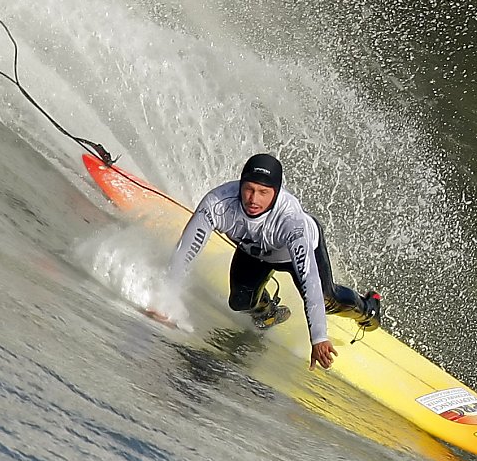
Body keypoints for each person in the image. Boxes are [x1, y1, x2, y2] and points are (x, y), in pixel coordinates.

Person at [163, 152, 382, 369]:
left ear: (276, 192)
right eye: (248, 189)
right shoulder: (218, 203)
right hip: (255, 253)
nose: (253, 199)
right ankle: (270, 313)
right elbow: (185, 252)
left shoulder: (291, 221)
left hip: (299, 252)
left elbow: (310, 281)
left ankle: (368, 309)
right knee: (240, 302)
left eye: (263, 192)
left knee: (326, 299)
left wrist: (318, 338)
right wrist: (166, 299)